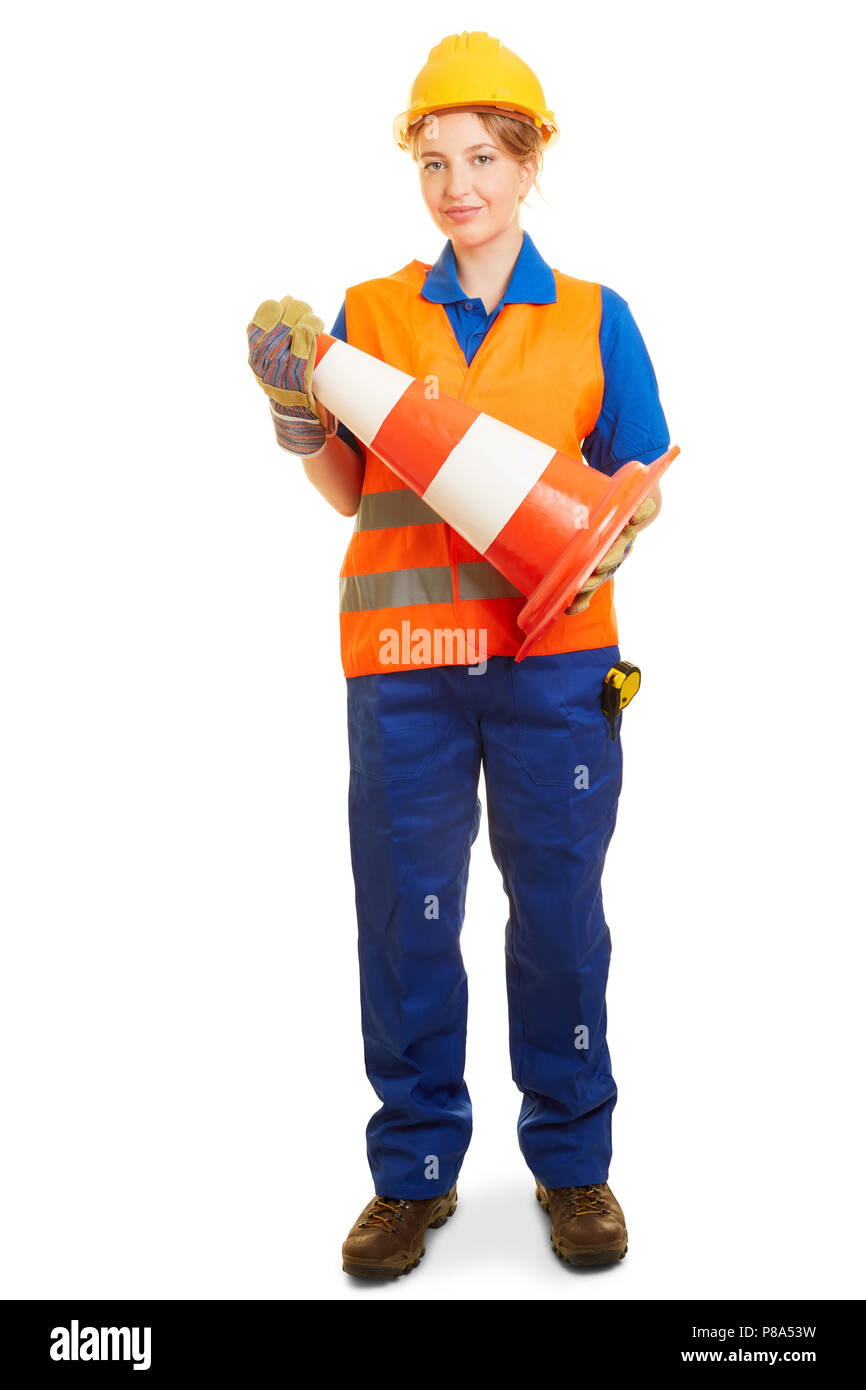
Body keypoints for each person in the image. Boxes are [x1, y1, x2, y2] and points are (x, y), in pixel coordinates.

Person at [246, 30, 672, 1280]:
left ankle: (572, 1163)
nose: (455, 186)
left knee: (556, 916)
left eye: (481, 156)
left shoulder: (597, 318)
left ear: (528, 162)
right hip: (405, 668)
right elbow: (344, 487)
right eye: (432, 161)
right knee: (406, 920)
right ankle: (414, 1170)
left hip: (551, 667)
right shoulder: (371, 312)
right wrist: (292, 411)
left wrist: (617, 531)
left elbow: (638, 482)